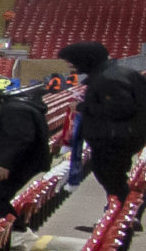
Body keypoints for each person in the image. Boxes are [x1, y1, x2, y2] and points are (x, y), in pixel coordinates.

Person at [59, 41, 146, 204]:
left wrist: (84, 107)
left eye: (72, 61)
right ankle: (118, 216)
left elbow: (121, 109)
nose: (70, 66)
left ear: (86, 59)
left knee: (112, 179)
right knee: (114, 180)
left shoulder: (108, 79)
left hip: (116, 140)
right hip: (121, 137)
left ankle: (122, 218)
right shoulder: (113, 73)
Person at [0, 79, 53, 227]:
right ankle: (15, 232)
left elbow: (22, 139)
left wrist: (5, 164)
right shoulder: (15, 105)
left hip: (22, 162)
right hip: (25, 161)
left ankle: (17, 233)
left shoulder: (13, 109)